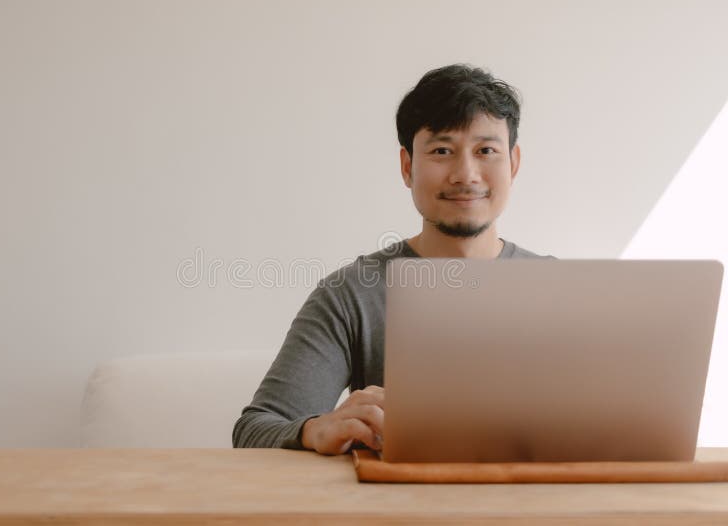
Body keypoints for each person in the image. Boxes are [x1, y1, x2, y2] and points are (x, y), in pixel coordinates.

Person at [232, 64, 554, 454]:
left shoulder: (560, 289)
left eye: (486, 150)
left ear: (513, 164)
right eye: (441, 151)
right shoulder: (351, 294)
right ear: (407, 167)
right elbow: (254, 431)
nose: (465, 174)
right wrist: (316, 429)